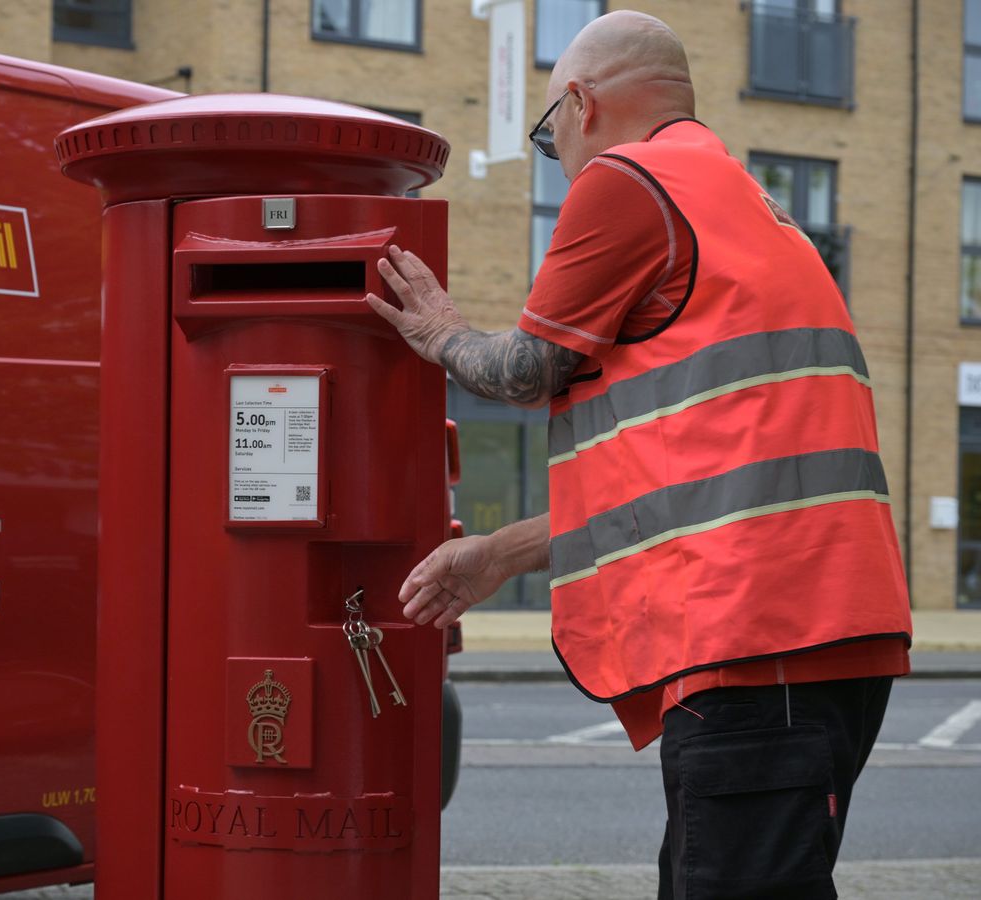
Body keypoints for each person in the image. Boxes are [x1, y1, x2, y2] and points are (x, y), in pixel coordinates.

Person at [364, 10, 914, 900]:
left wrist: (439, 331)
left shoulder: (629, 180)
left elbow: (527, 369)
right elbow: (686, 487)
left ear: (579, 104)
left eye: (550, 141)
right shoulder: (747, 205)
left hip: (753, 640)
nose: (562, 164)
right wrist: (499, 555)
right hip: (819, 637)